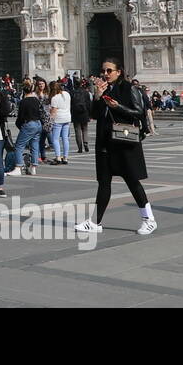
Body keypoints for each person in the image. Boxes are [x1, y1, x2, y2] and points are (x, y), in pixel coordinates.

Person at [76, 59, 156, 236]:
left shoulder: (129, 88)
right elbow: (95, 114)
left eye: (109, 70)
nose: (105, 73)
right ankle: (95, 222)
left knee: (132, 181)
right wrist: (97, 96)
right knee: (103, 183)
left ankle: (149, 219)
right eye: (103, 70)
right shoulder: (104, 89)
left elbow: (139, 112)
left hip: (124, 141)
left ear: (119, 72)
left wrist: (117, 106)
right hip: (105, 142)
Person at [48, 80, 71, 164]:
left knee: (55, 138)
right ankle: (65, 157)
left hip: (58, 119)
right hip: (67, 117)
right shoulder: (67, 94)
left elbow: (53, 112)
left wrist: (50, 119)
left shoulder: (54, 98)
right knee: (65, 138)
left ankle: (58, 157)